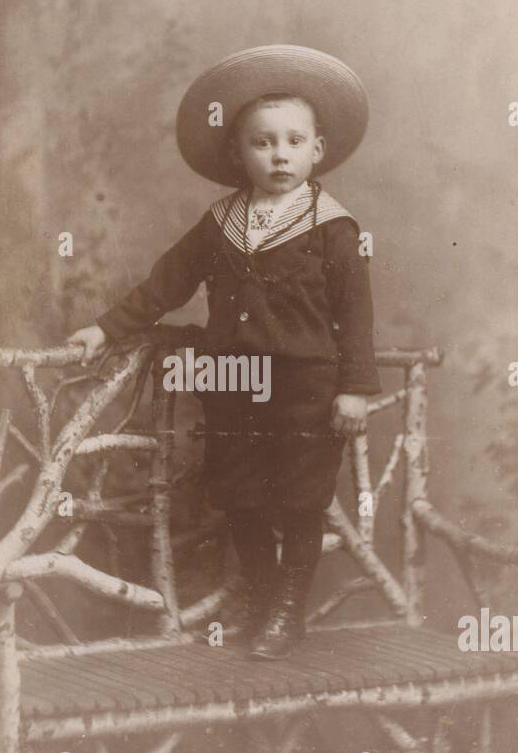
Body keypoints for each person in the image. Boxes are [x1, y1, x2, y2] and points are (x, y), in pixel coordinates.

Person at [69, 45, 381, 660]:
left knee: (297, 501)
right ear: (239, 154)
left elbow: (356, 313)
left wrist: (355, 387)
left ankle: (287, 615)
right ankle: (261, 599)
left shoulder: (335, 228)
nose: (279, 154)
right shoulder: (220, 222)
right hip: (233, 380)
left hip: (306, 388)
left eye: (294, 141)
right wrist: (105, 330)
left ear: (318, 151)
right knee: (239, 493)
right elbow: (168, 282)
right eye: (263, 143)